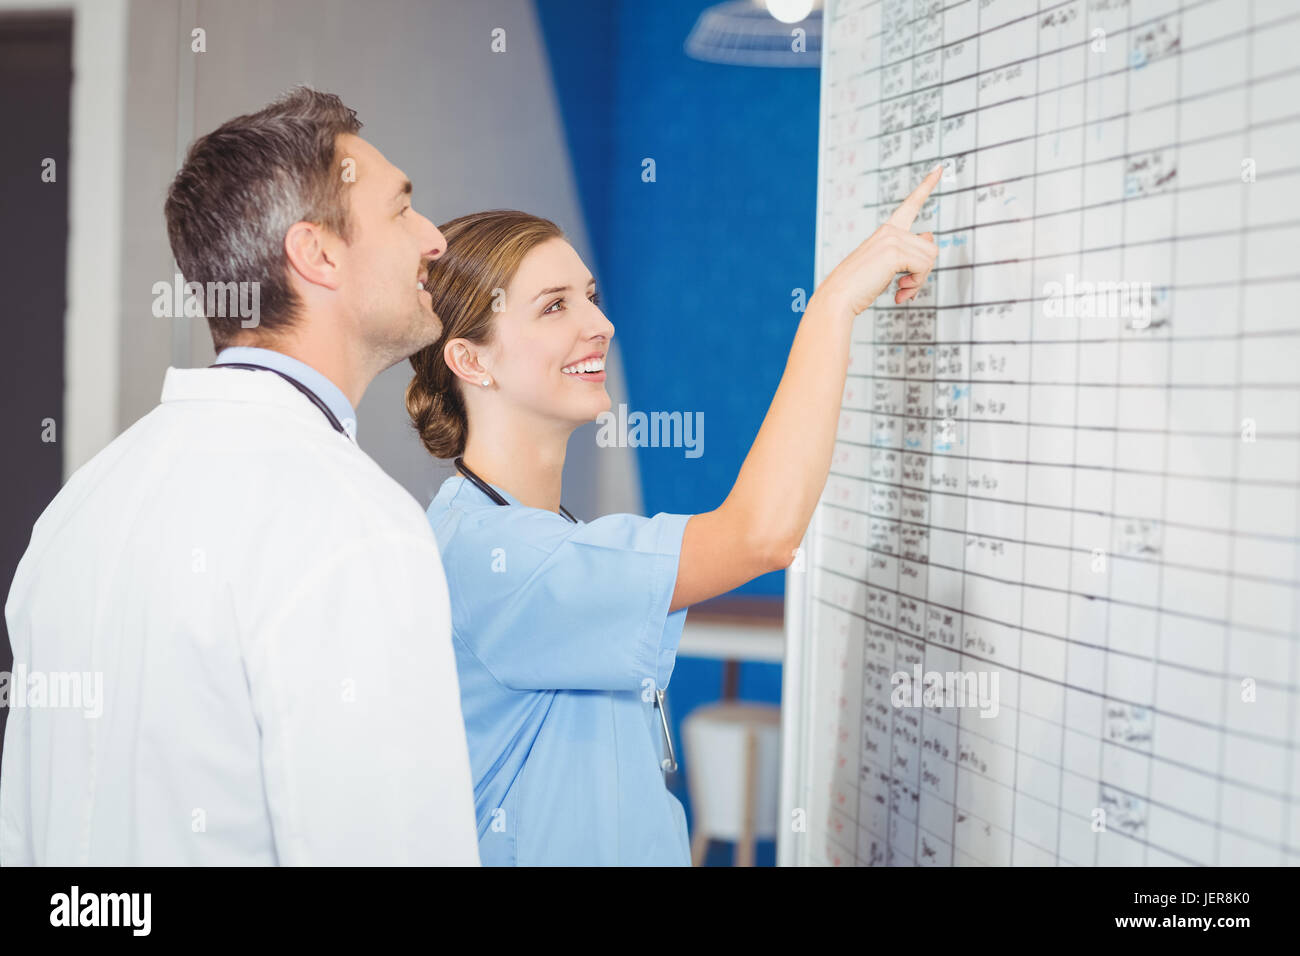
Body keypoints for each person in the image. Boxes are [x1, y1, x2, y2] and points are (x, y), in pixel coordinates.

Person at [405, 166, 942, 865]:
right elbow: (761, 534)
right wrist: (832, 306)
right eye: (554, 307)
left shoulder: (509, 533)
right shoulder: (497, 559)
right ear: (470, 361)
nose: (600, 325)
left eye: (591, 298)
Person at [0, 87, 480, 865]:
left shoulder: (74, 510)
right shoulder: (353, 522)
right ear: (317, 253)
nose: (433, 240)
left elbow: (20, 834)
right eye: (401, 210)